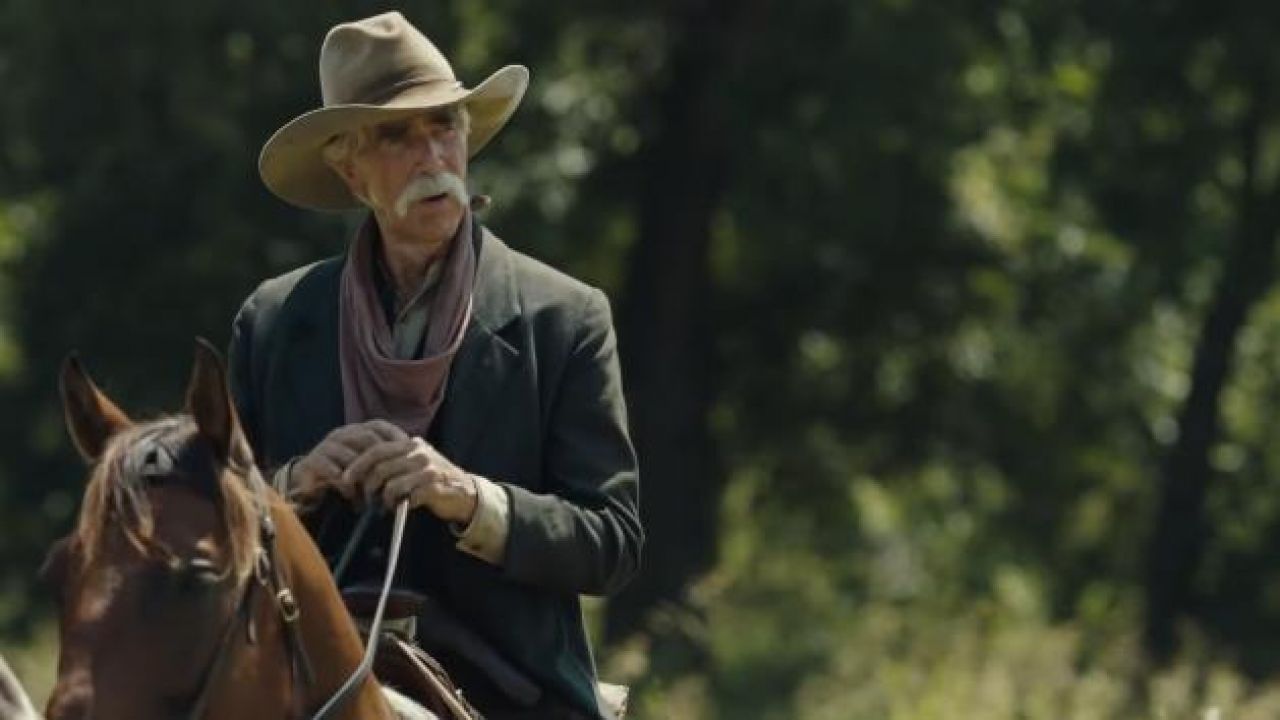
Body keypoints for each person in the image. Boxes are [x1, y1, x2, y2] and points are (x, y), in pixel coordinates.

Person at [228, 12, 643, 720]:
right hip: (305, 681)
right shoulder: (274, 323)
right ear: (347, 167)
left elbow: (611, 541)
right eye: (397, 135)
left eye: (445, 127)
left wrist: (469, 498)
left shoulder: (562, 318)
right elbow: (210, 528)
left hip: (512, 690)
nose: (432, 156)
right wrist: (296, 485)